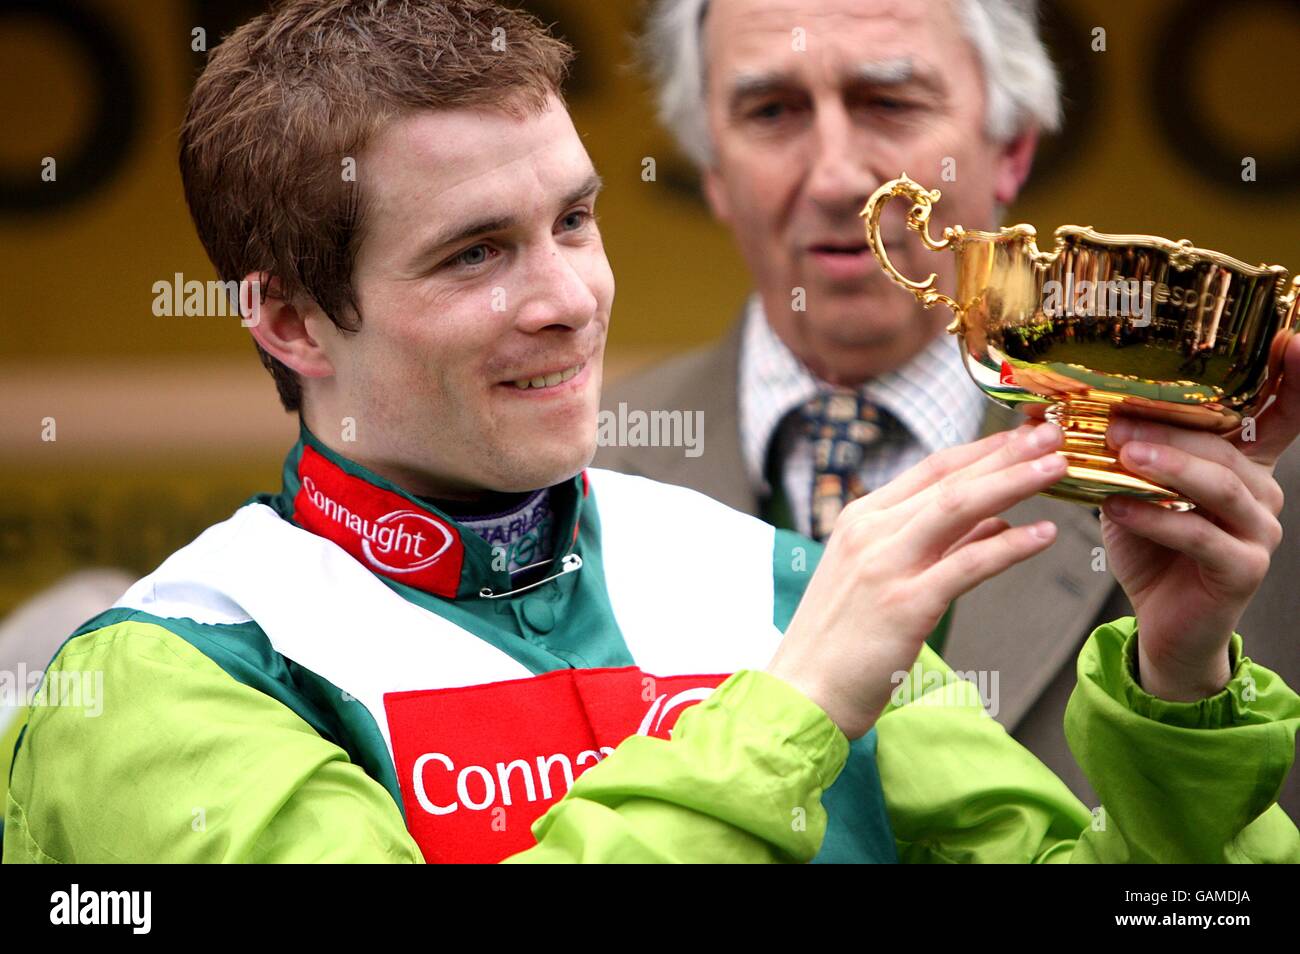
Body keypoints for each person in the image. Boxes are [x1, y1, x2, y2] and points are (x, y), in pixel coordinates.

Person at [4, 0, 1298, 865]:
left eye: (575, 219)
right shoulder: (171, 674)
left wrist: (1179, 696)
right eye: (474, 255)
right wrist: (795, 710)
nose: (569, 299)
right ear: (288, 318)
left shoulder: (767, 577)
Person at [596, 0, 1300, 814]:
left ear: (1012, 147)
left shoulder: (1243, 487)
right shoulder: (581, 476)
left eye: (889, 103)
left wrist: (1185, 692)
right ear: (712, 170)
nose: (834, 176)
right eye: (773, 111)